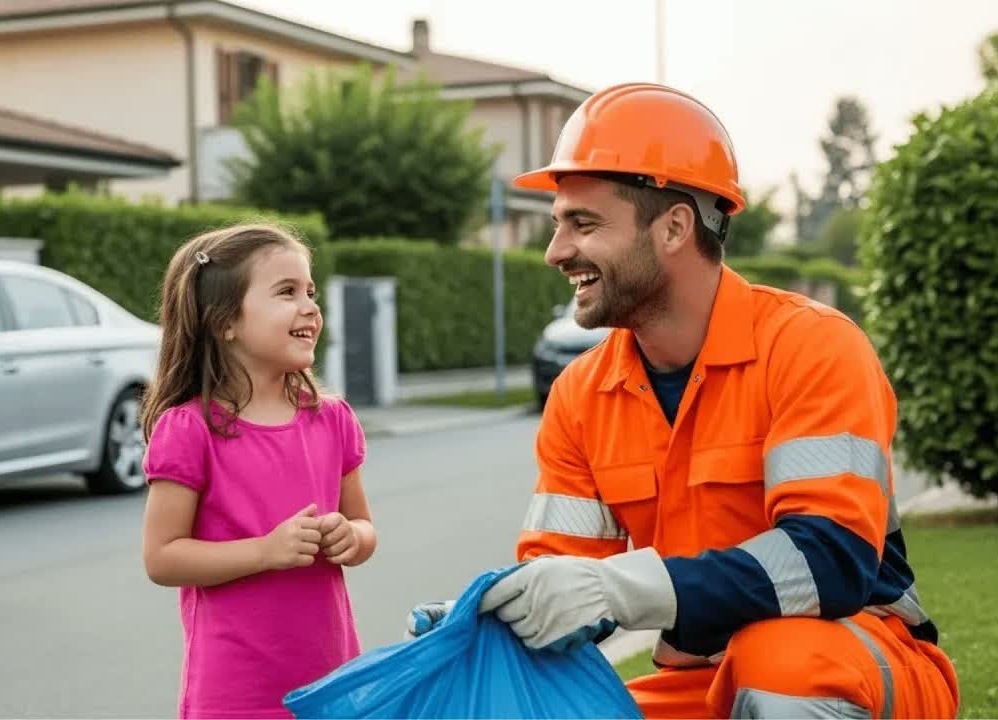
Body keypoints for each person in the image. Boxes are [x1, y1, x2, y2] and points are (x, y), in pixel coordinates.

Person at [406, 83, 959, 719]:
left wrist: (619, 589)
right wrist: (490, 617)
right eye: (558, 224)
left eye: (583, 224)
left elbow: (830, 562)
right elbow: (567, 585)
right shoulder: (580, 395)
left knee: (781, 664)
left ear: (674, 227)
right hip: (700, 679)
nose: (555, 251)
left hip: (854, 654)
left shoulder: (812, 347)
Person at [140, 224, 377, 719]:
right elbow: (162, 557)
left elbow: (364, 527)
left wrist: (350, 537)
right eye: (287, 292)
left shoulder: (333, 419)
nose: (309, 307)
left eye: (310, 291)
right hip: (235, 694)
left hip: (331, 681)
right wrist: (265, 551)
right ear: (225, 321)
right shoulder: (189, 430)